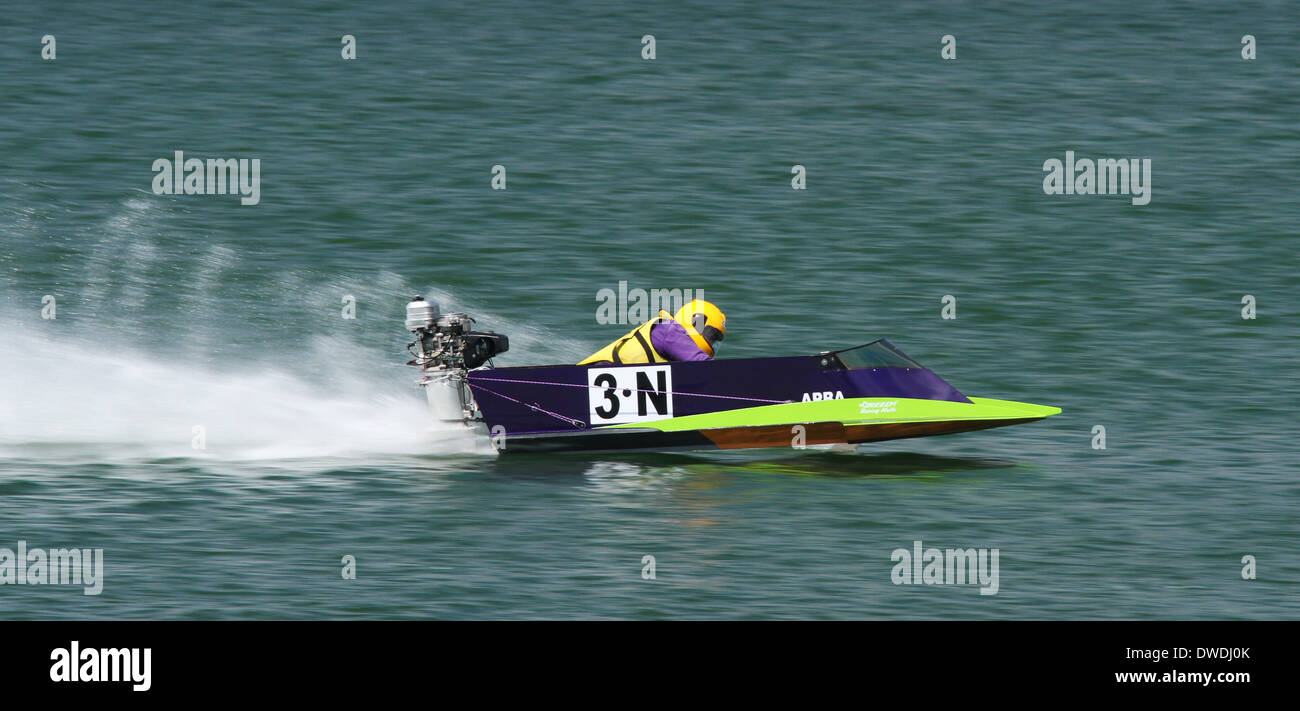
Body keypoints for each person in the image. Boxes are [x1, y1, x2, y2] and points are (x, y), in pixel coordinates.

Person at [578, 299, 726, 365]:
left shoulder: (676, 354)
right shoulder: (670, 330)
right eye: (713, 336)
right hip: (582, 381)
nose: (713, 344)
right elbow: (705, 367)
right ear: (696, 323)